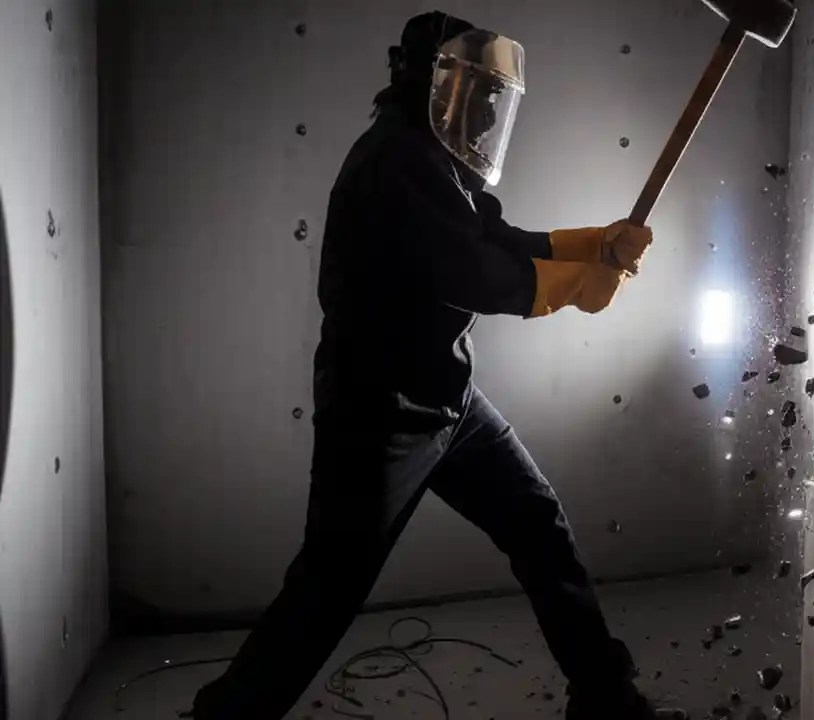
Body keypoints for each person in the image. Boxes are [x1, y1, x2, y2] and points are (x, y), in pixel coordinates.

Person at [188, 11, 671, 720]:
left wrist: (585, 244)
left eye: (493, 101)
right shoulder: (395, 159)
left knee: (538, 525)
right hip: (380, 412)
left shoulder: (434, 155)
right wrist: (572, 287)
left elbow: (493, 234)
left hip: (448, 397)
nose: (486, 115)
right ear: (438, 84)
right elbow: (470, 272)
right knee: (328, 587)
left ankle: (604, 696)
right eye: (480, 96)